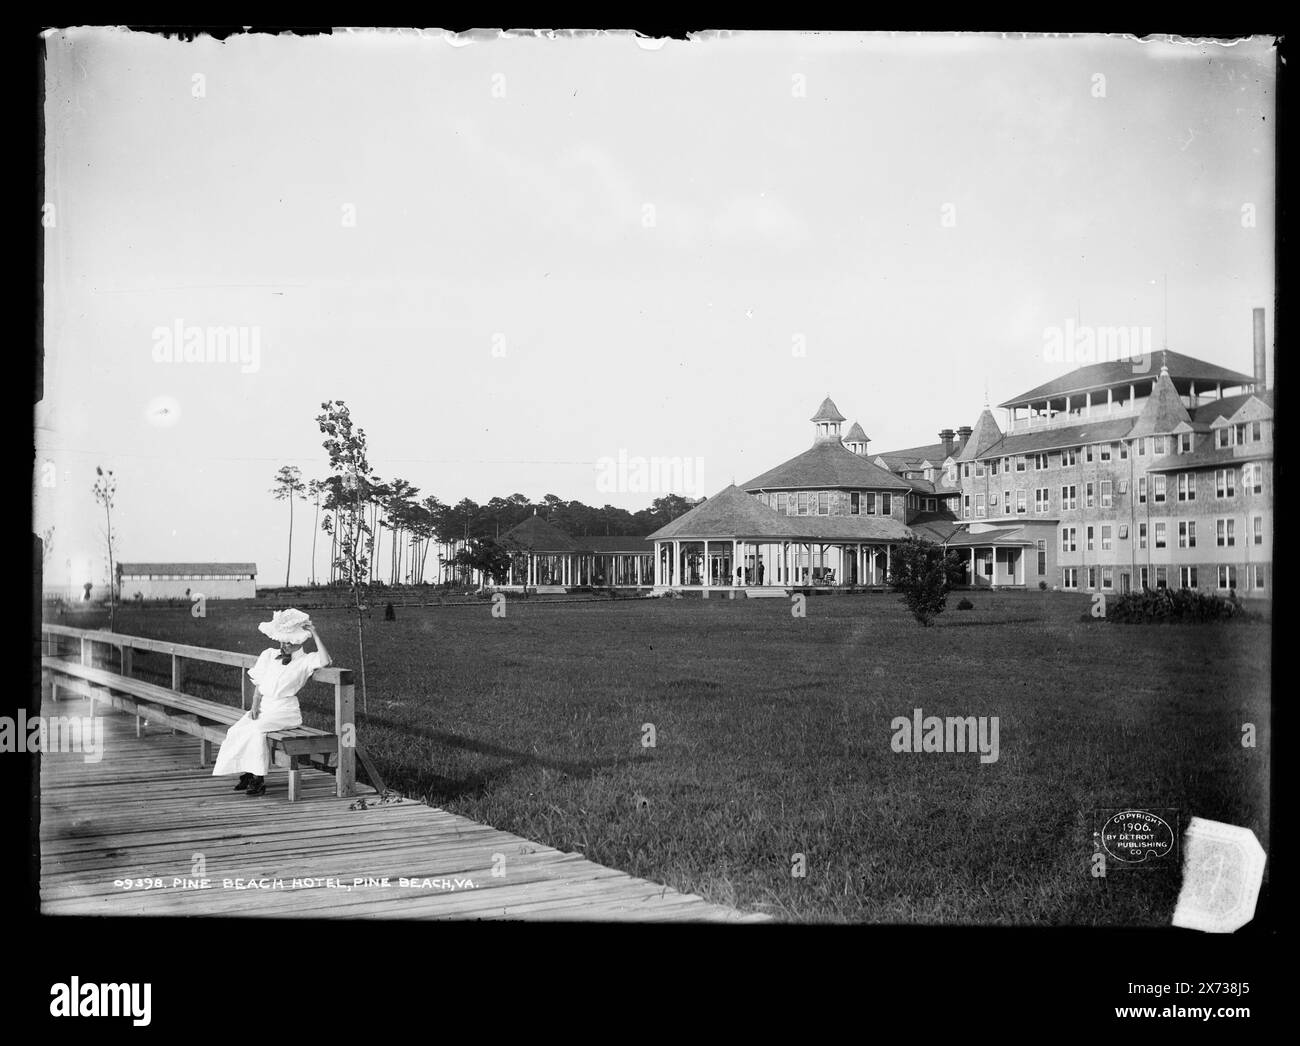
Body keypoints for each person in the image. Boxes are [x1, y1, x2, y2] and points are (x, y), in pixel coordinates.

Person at [212, 608, 331, 798]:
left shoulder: (306, 661)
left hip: (284, 711)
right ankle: (248, 772)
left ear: (298, 642)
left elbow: (326, 660)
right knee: (237, 730)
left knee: (256, 731)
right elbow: (260, 683)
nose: (283, 645)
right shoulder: (269, 655)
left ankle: (258, 779)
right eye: (282, 641)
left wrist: (314, 633)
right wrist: (254, 705)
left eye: (289, 642)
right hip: (265, 707)